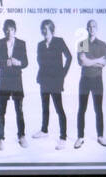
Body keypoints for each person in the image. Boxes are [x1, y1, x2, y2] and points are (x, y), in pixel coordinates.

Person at [33, 19, 72, 149]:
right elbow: (39, 60)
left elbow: (69, 57)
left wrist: (63, 73)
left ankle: (63, 137)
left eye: (46, 29)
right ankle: (44, 130)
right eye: (43, 29)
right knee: (45, 107)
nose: (44, 31)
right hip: (44, 80)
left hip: (55, 80)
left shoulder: (59, 41)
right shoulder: (40, 44)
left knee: (59, 108)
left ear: (52, 29)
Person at [0, 19, 28, 150]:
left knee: (19, 110)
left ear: (15, 30)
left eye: (11, 29)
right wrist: (4, 63)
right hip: (4, 81)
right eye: (7, 29)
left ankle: (21, 136)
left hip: (17, 81)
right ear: (4, 30)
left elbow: (26, 62)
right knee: (1, 111)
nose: (9, 32)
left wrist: (18, 62)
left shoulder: (22, 43)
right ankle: (0, 138)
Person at [75, 19, 106, 148]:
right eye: (90, 27)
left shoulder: (103, 44)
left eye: (94, 26)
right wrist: (97, 60)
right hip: (85, 80)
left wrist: (90, 61)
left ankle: (100, 136)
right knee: (81, 109)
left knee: (98, 109)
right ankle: (80, 137)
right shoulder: (82, 43)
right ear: (87, 29)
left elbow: (104, 63)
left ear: (97, 28)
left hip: (97, 80)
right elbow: (83, 62)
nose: (92, 29)